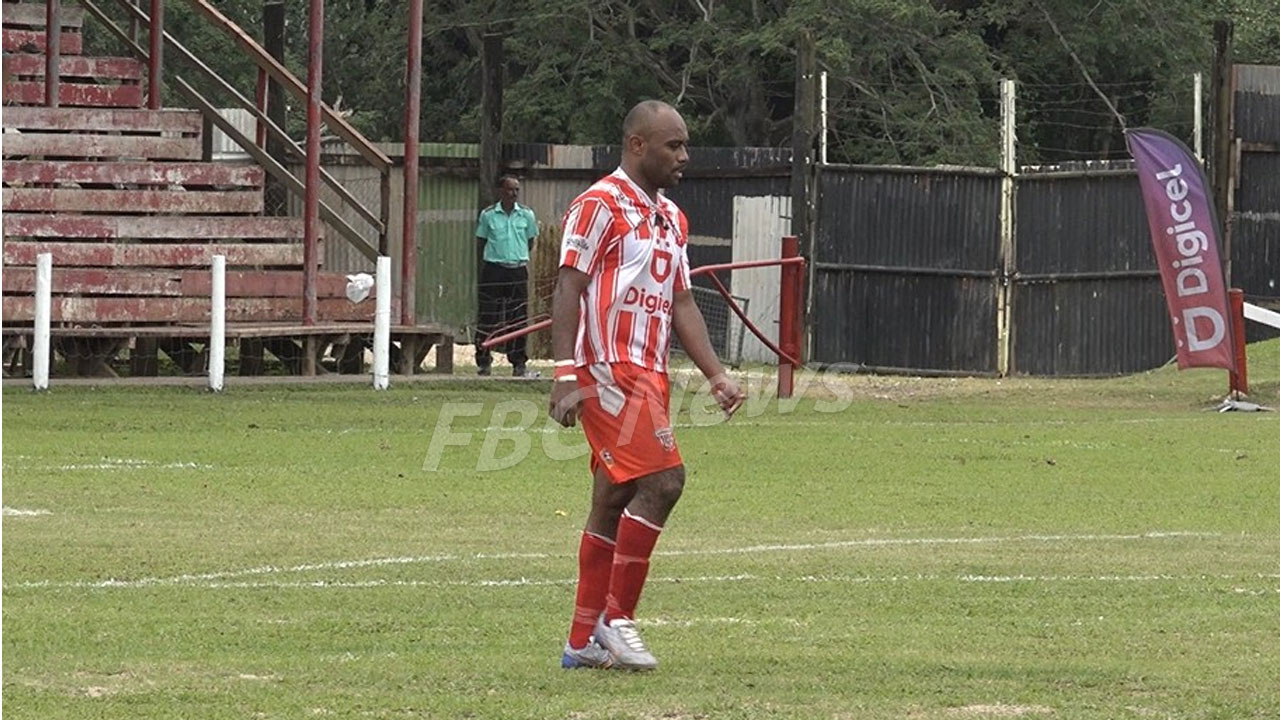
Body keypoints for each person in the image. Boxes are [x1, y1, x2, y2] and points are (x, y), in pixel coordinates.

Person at [549, 100, 745, 671]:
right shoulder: (599, 206)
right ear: (637, 145)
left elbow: (681, 299)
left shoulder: (671, 217)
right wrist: (564, 375)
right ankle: (617, 618)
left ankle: (581, 641)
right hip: (607, 368)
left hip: (649, 371)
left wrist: (716, 374)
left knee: (612, 500)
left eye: (684, 146)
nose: (684, 156)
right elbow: (567, 288)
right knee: (665, 482)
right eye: (673, 145)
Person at [475, 174, 538, 376]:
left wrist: (516, 257)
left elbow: (530, 242)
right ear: (500, 191)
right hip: (494, 269)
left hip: (517, 270)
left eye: (517, 190)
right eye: (510, 189)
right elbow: (481, 242)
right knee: (488, 316)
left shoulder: (526, 215)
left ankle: (518, 362)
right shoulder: (489, 215)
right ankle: (484, 361)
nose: (514, 194)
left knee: (518, 317)